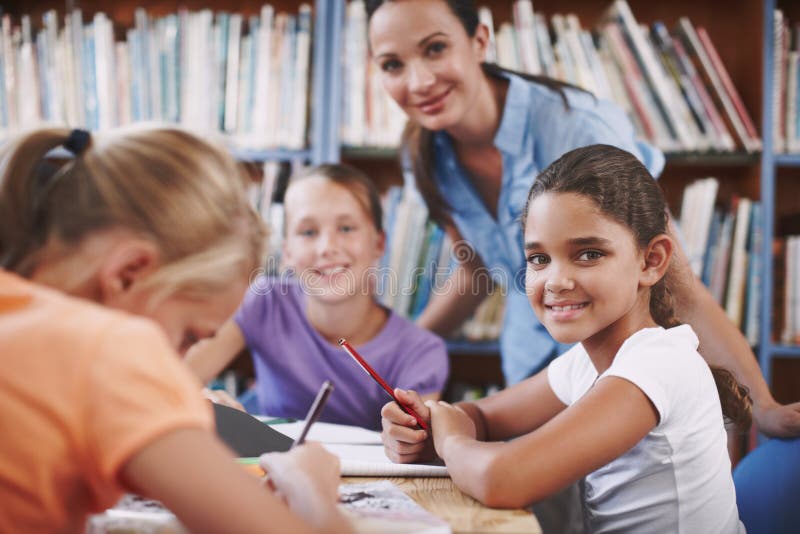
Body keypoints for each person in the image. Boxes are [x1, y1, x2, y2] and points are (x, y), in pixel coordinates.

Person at [366, 0, 800, 437]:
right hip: (534, 377)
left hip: (616, 374)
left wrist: (762, 406)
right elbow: (478, 267)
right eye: (392, 64)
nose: (418, 81)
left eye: (436, 49)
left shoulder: (578, 128)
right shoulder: (424, 154)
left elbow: (677, 284)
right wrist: (401, 345)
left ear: (480, 40)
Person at [0, 126, 352, 533]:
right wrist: (313, 490)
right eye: (189, 337)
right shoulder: (107, 349)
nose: (178, 364)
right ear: (129, 273)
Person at [381, 144, 750, 532]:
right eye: (539, 259)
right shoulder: (586, 362)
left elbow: (502, 480)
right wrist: (429, 430)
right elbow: (482, 417)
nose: (556, 281)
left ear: (651, 260)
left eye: (589, 254)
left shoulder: (655, 366)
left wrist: (450, 442)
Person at [186, 163, 448, 431]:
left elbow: (417, 444)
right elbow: (176, 378)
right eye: (308, 232)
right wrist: (201, 400)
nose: (327, 248)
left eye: (346, 229)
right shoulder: (264, 303)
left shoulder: (421, 352)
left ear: (379, 243)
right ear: (286, 251)